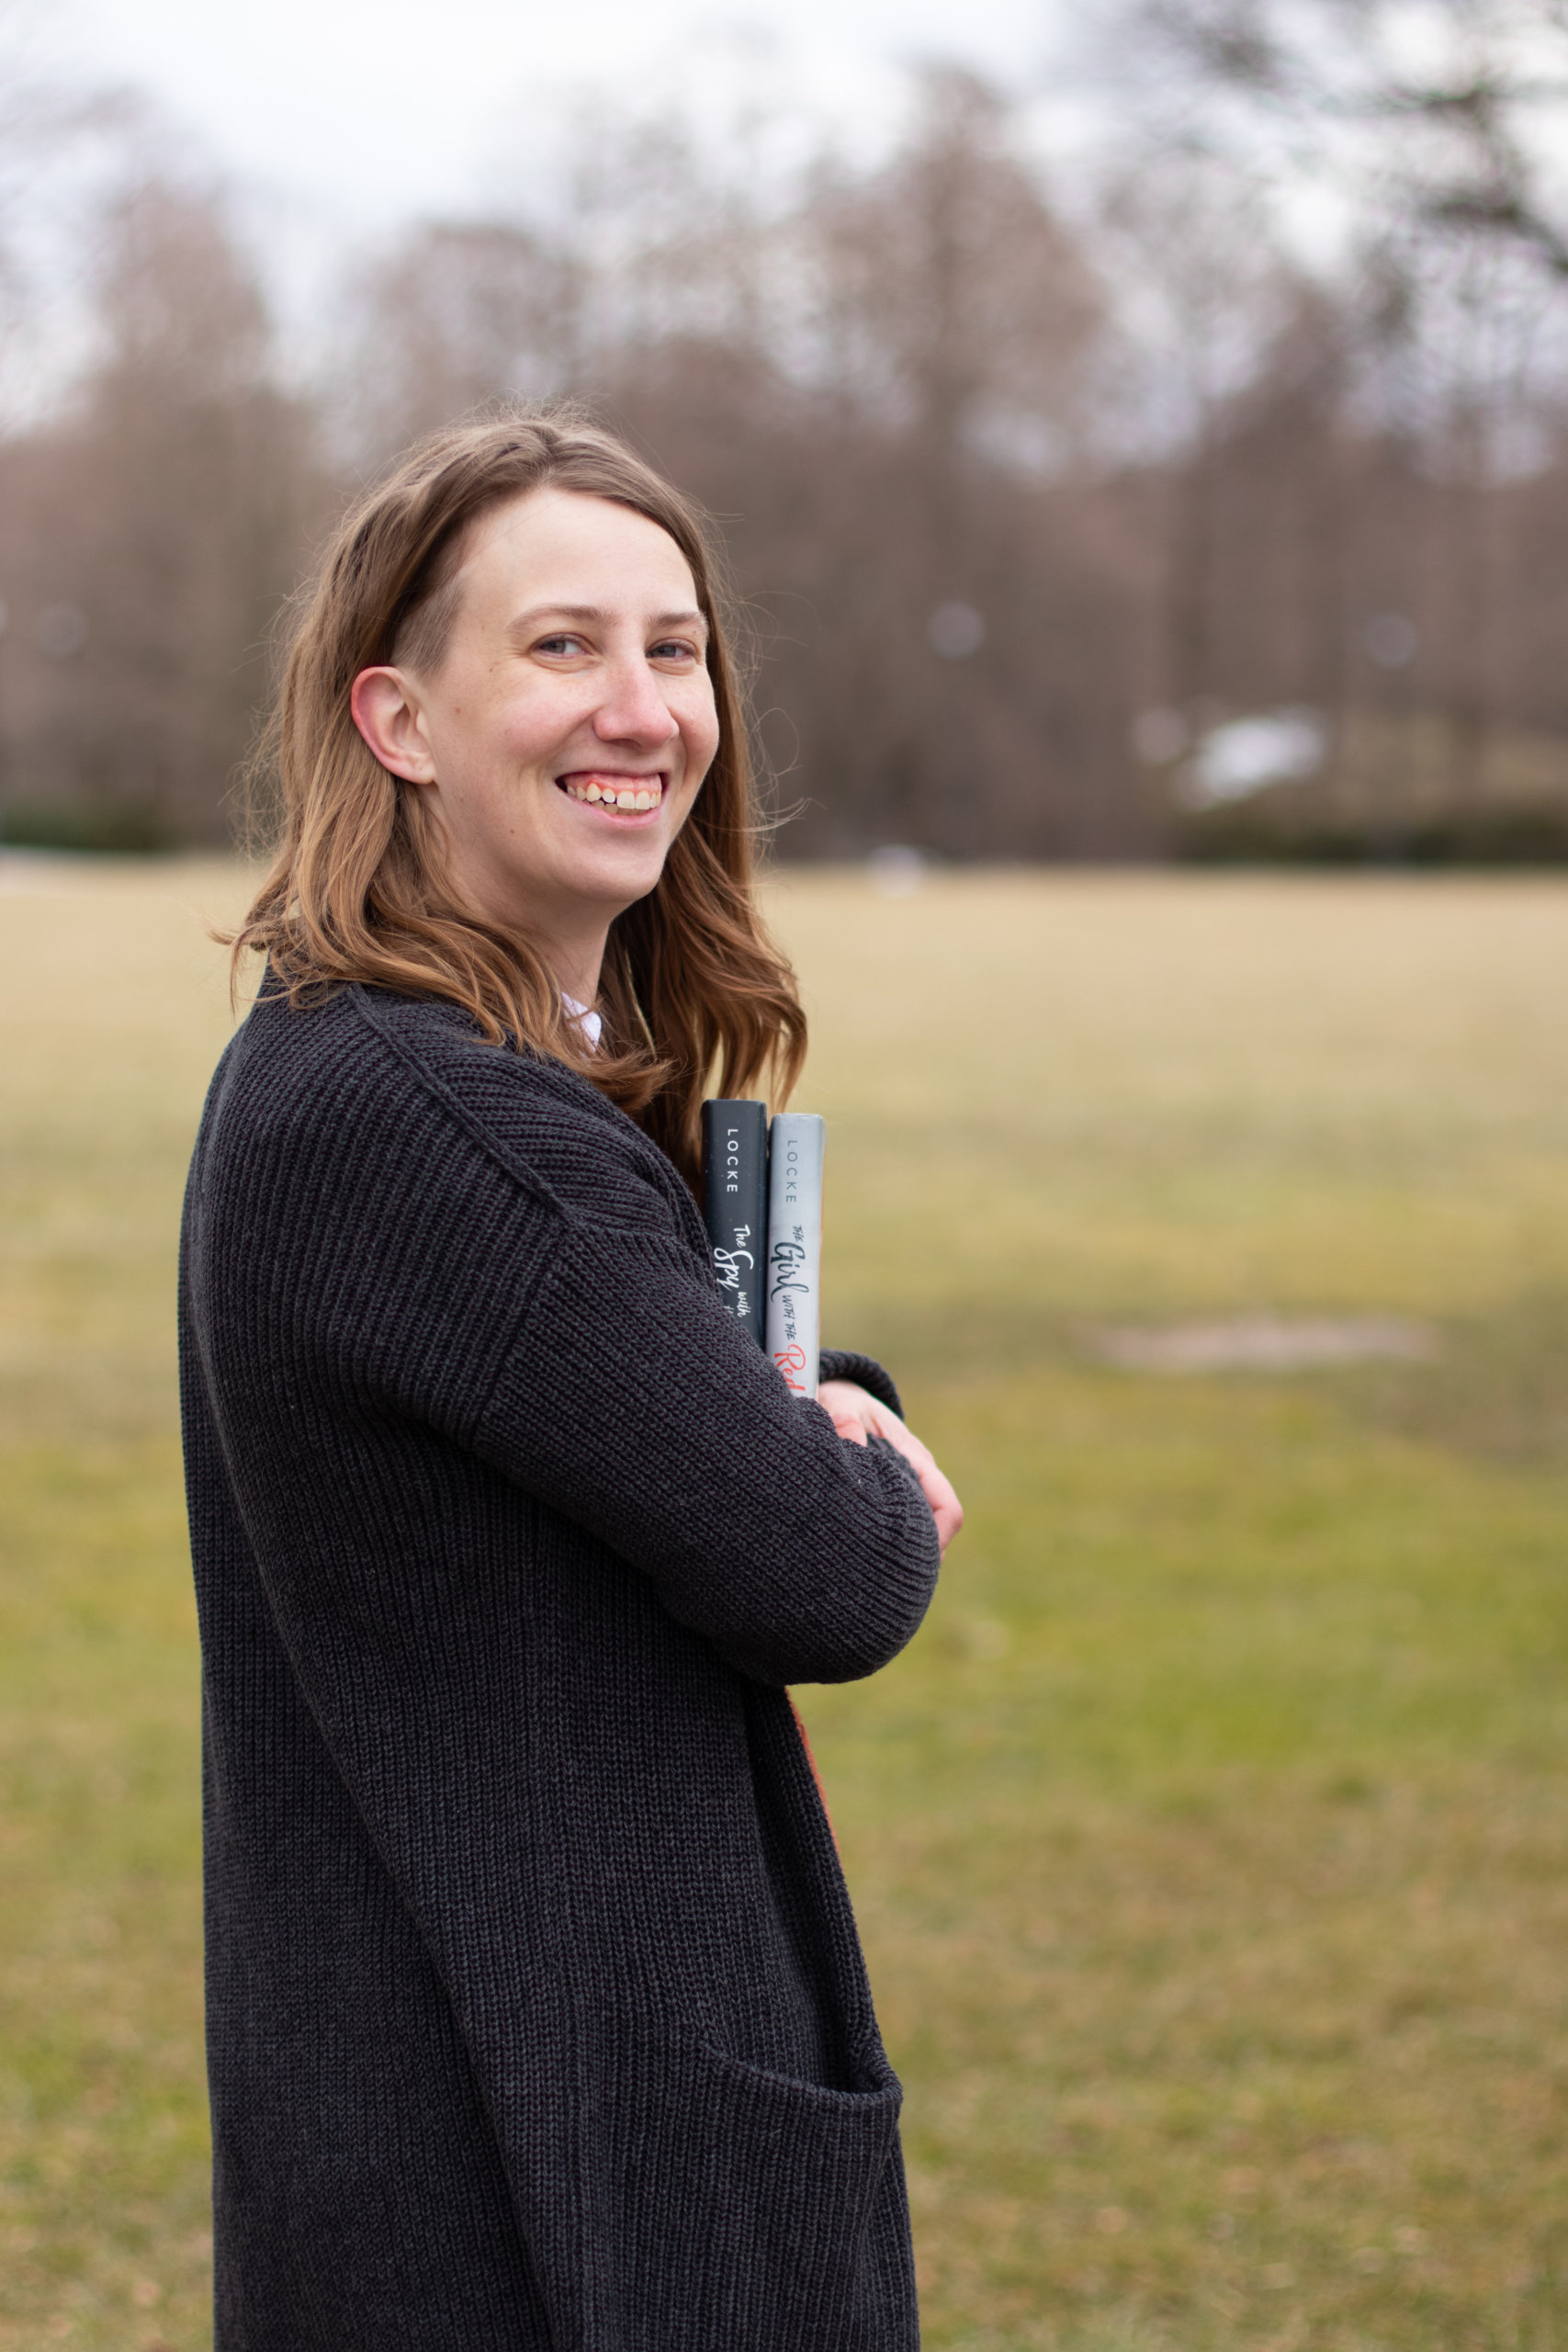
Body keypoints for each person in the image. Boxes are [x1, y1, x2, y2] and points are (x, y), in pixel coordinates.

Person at [179, 411, 963, 2351]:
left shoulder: (388, 1064)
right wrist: (837, 1452)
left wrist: (801, 1402)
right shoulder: (442, 1122)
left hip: (496, 2108)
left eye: (673, 647)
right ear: (398, 718)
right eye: (558, 646)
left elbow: (618, 1394)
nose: (640, 708)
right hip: (543, 2177)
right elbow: (829, 1575)